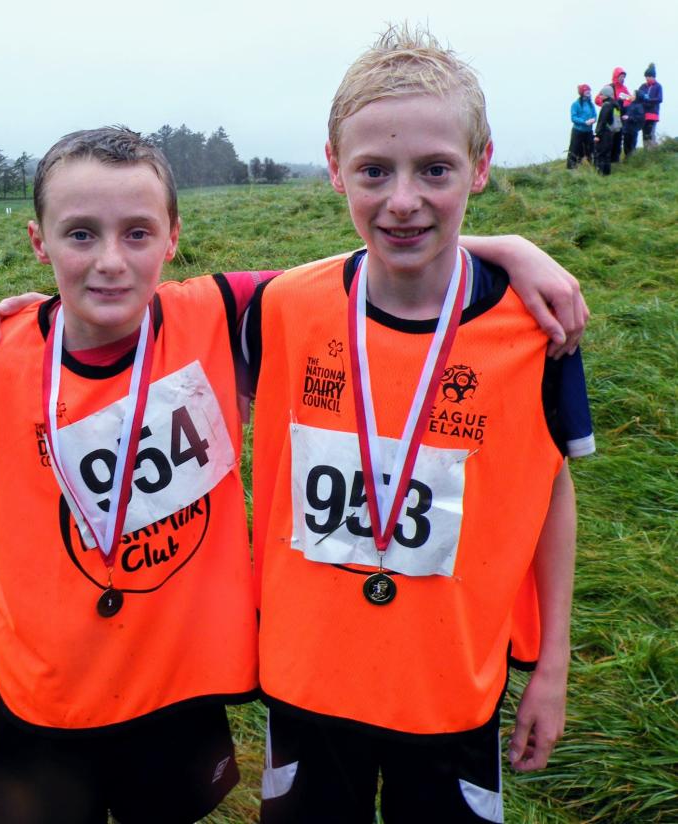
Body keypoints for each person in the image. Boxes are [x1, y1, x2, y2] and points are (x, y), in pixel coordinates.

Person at [244, 26, 594, 823]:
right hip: (306, 680)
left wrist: (551, 667)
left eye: (434, 170)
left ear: (479, 165)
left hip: (449, 689)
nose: (402, 200)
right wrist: (20, 315)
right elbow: (118, 302)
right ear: (334, 170)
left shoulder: (537, 322)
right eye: (374, 171)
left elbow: (549, 492)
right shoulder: (280, 307)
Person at [0, 127, 262, 824]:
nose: (110, 261)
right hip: (41, 688)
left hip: (175, 679)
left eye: (136, 233)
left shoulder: (219, 317)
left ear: (172, 235)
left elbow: (370, 264)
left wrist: (504, 251)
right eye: (80, 235)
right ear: (37, 241)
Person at [595, 68, 632, 163]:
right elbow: (597, 99)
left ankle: (615, 161)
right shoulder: (608, 87)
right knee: (608, 140)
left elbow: (630, 100)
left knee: (618, 140)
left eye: (624, 77)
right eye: (621, 76)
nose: (623, 78)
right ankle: (608, 161)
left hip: (619, 118)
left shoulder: (624, 89)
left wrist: (623, 105)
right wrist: (607, 105)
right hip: (609, 118)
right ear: (616, 76)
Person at [567, 83, 596, 168]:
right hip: (578, 131)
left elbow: (594, 114)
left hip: (588, 131)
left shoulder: (591, 104)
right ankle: (571, 169)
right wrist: (584, 122)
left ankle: (593, 166)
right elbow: (573, 117)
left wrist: (594, 119)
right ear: (581, 92)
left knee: (590, 149)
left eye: (589, 91)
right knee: (574, 150)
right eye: (586, 91)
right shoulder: (575, 104)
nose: (588, 92)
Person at [595, 87, 623, 175]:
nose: (600, 96)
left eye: (602, 94)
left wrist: (597, 134)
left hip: (604, 132)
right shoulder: (616, 105)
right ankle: (607, 173)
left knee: (601, 153)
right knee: (607, 153)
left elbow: (602, 120)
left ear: (606, 95)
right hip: (612, 131)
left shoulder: (606, 105)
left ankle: (601, 173)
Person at [639, 63, 663, 147]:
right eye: (646, 77)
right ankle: (646, 153)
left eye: (648, 76)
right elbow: (638, 96)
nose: (647, 78)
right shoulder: (643, 86)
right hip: (644, 114)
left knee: (651, 134)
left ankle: (653, 154)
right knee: (644, 134)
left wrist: (649, 100)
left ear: (653, 77)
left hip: (653, 114)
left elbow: (660, 99)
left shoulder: (658, 86)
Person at [622, 88, 647, 158]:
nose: (631, 96)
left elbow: (640, 118)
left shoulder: (639, 106)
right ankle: (627, 160)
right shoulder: (630, 105)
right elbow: (623, 110)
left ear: (637, 97)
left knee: (631, 145)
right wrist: (622, 101)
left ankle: (632, 161)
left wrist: (629, 118)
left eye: (633, 94)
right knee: (626, 145)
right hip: (627, 129)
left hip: (633, 129)